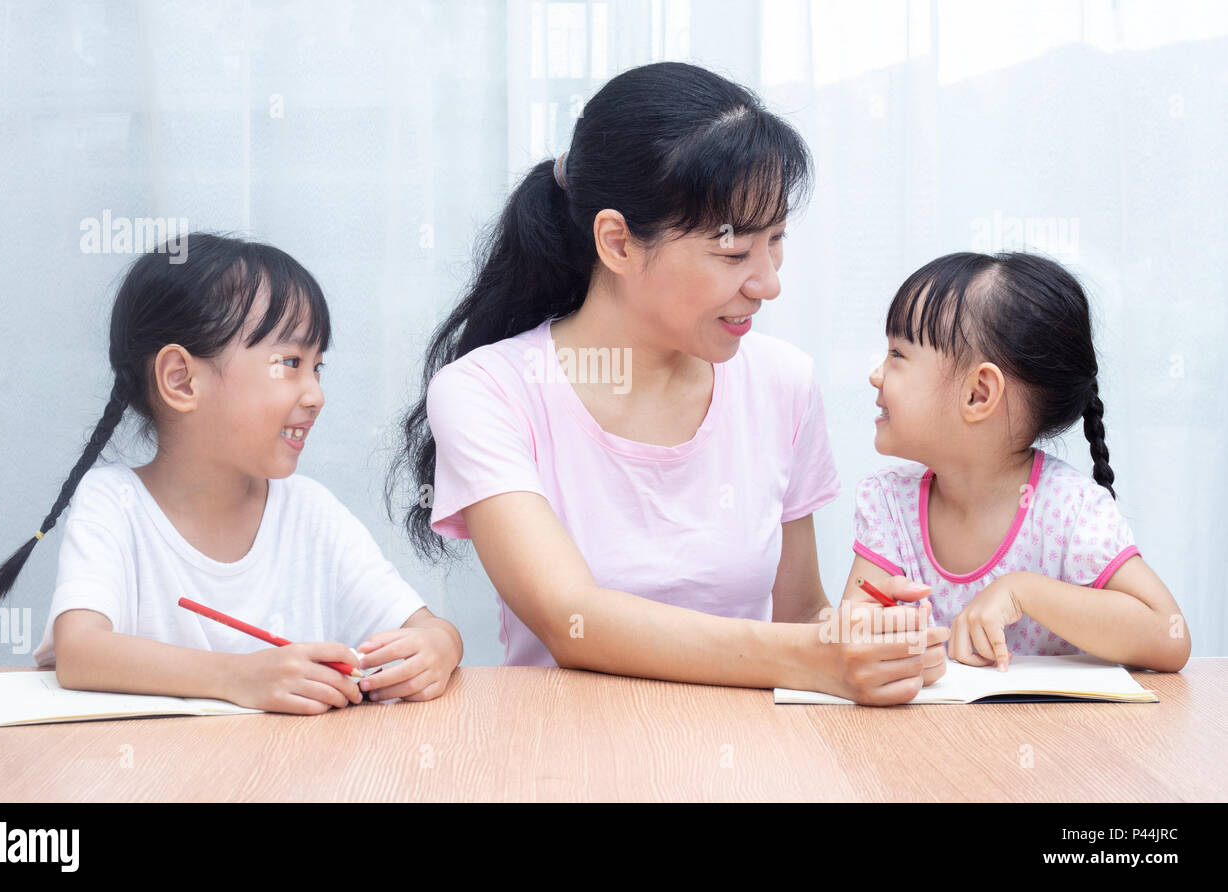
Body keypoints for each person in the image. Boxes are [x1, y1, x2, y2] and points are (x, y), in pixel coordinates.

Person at [388, 61, 947, 705]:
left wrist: (871, 639)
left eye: (777, 240)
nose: (767, 282)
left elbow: (799, 615)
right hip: (559, 761)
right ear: (619, 243)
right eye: (734, 253)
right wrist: (817, 656)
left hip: (752, 757)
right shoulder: (488, 391)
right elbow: (574, 622)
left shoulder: (782, 381)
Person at [0, 234, 462, 713]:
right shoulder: (115, 502)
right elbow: (80, 651)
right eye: (290, 363)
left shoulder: (311, 512)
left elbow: (426, 627)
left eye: (318, 367)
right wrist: (241, 677)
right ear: (181, 380)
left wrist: (439, 648)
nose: (315, 394)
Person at [844, 251, 1189, 672]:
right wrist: (872, 633)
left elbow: (1168, 637)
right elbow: (852, 641)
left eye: (897, 354)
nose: (876, 374)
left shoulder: (1070, 510)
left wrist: (1023, 592)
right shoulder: (888, 502)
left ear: (979, 394)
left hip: (1055, 739)